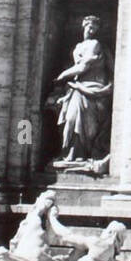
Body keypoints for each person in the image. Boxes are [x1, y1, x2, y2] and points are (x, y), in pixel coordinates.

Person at [52, 15, 112, 164]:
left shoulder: (95, 44)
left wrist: (62, 76)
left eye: (95, 28)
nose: (91, 30)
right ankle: (70, 154)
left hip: (92, 88)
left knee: (82, 122)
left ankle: (81, 155)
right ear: (83, 26)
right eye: (89, 26)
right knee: (70, 119)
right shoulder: (78, 46)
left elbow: (83, 66)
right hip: (76, 89)